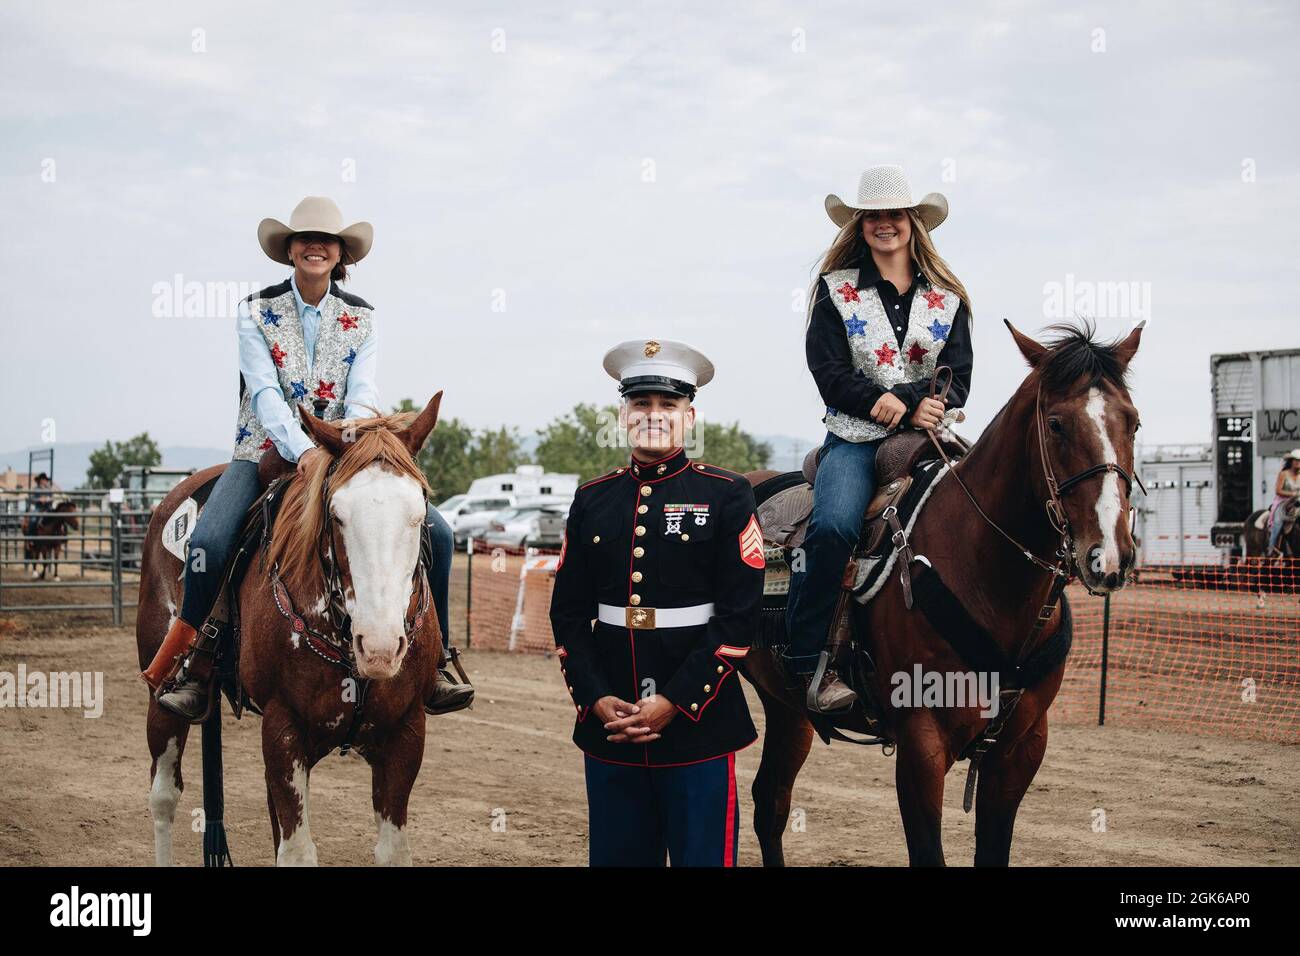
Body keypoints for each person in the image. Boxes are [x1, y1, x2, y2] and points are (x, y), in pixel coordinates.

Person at [140, 196, 472, 718]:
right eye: (304, 238)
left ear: (341, 254)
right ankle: (198, 663)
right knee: (208, 540)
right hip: (265, 452)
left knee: (441, 533)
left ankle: (439, 659)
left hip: (346, 452)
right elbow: (266, 394)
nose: (315, 245)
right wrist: (306, 452)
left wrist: (354, 444)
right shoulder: (255, 310)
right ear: (290, 251)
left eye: (327, 239)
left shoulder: (361, 316)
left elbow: (363, 390)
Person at [548, 339, 764, 866]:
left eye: (668, 405)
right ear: (623, 414)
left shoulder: (727, 495)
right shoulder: (593, 499)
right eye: (641, 403)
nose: (653, 415)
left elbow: (737, 621)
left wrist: (674, 702)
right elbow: (569, 617)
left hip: (698, 727)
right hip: (611, 729)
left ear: (690, 417)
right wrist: (595, 699)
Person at [786, 165, 974, 713]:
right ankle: (809, 664)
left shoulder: (949, 298)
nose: (885, 224)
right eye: (874, 216)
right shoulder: (834, 291)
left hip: (930, 437)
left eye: (895, 214)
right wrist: (880, 402)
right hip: (854, 437)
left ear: (913, 222)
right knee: (834, 525)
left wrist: (919, 402)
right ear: (861, 224)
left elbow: (958, 376)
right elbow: (826, 369)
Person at [1266, 450, 1300, 556]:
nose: (1298, 463)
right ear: (1291, 461)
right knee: (1277, 522)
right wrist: (1292, 494)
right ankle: (1271, 548)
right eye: (1296, 460)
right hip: (1283, 502)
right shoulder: (1284, 473)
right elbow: (1278, 490)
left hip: (1298, 501)